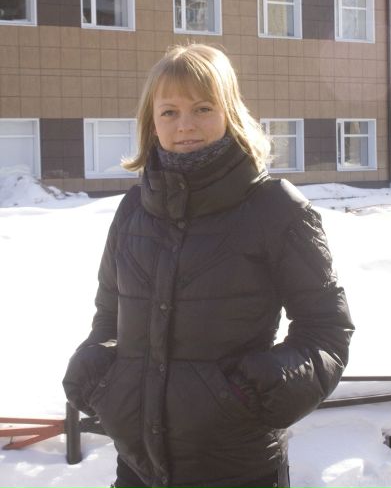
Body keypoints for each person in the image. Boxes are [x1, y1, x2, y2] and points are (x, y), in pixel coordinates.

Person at [63, 44, 354, 488]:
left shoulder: (275, 209)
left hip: (238, 467)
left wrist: (255, 393)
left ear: (229, 113)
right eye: (169, 112)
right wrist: (98, 378)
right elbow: (109, 316)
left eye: (202, 108)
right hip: (138, 467)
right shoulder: (133, 210)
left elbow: (326, 329)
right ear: (151, 122)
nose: (185, 125)